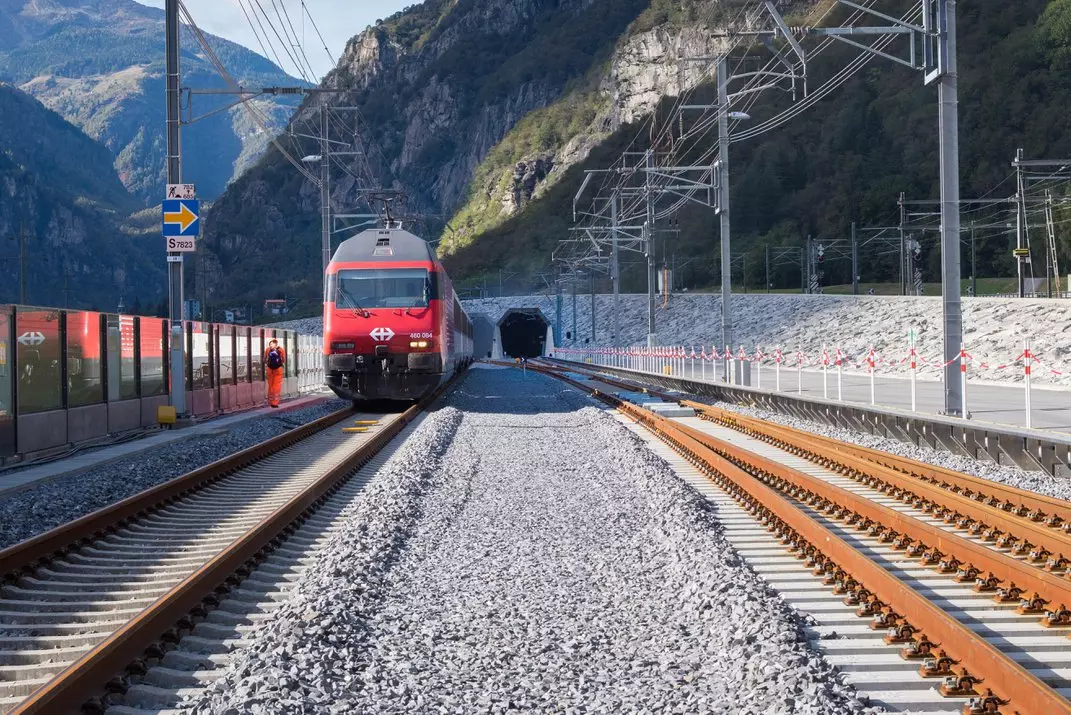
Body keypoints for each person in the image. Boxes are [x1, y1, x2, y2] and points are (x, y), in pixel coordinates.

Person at [264, 338, 286, 408]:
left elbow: (264, 359)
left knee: (270, 386)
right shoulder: (281, 349)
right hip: (278, 370)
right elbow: (283, 360)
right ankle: (275, 403)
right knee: (277, 386)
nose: (270, 345)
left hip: (270, 369)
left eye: (271, 344)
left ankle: (270, 401)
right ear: (276, 343)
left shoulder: (267, 350)